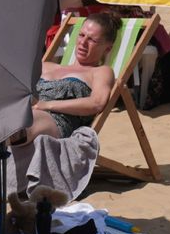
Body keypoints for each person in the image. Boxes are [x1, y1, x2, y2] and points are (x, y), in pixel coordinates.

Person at [27, 10, 118, 141]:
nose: (83, 42)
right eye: (81, 35)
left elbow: (97, 102)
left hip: (56, 120)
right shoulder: (46, 65)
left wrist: (46, 105)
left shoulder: (100, 72)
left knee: (20, 124)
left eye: (92, 40)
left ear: (107, 49)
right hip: (25, 113)